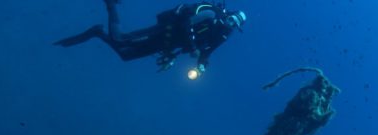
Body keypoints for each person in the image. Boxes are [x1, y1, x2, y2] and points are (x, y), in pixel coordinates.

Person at [55, 1, 246, 77]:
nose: (229, 23)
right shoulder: (211, 14)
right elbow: (185, 24)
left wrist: (202, 64)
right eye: (231, 19)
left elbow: (207, 52)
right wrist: (193, 46)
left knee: (125, 55)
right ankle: (111, 6)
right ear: (228, 14)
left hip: (167, 45)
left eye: (233, 24)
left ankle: (98, 32)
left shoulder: (222, 35)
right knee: (120, 39)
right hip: (164, 32)